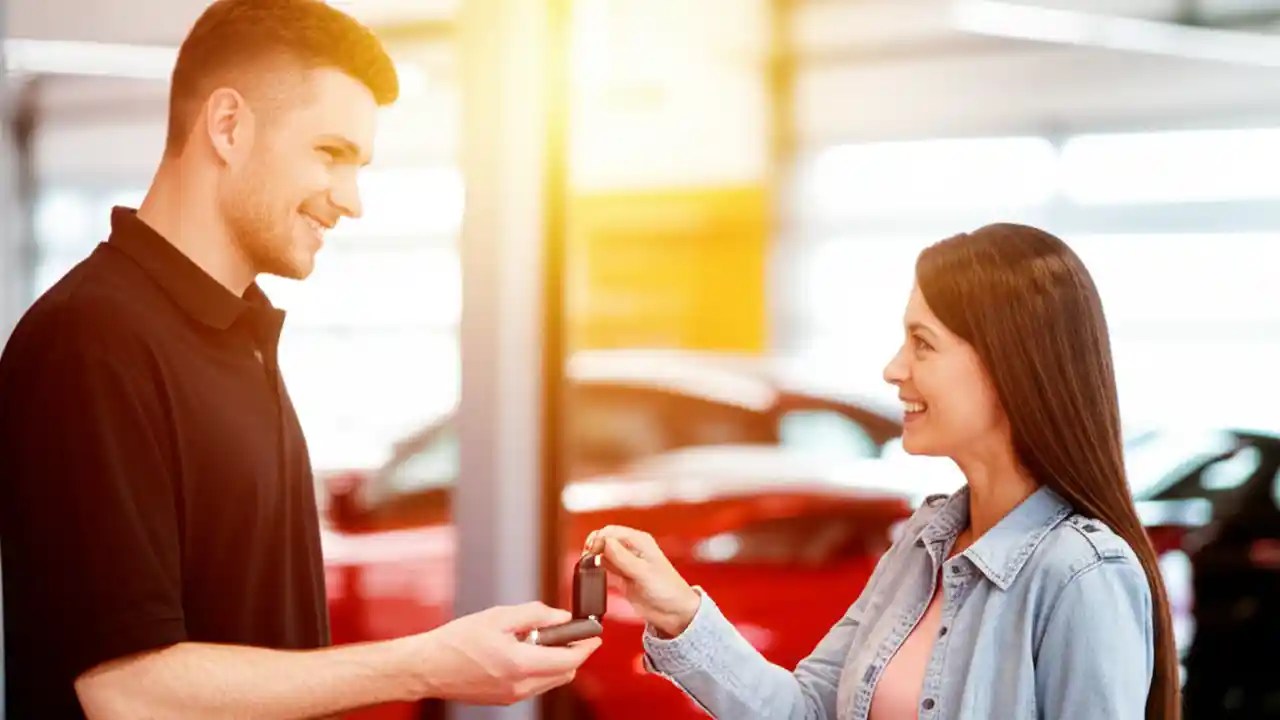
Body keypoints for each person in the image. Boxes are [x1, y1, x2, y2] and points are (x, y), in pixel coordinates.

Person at [0, 1, 597, 718]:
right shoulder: (91, 342)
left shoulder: (238, 335)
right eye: (330, 153)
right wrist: (425, 665)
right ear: (228, 126)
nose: (351, 200)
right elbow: (129, 695)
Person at [586, 224, 1180, 719]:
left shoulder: (1083, 575)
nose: (894, 369)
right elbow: (807, 711)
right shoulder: (921, 546)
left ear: (1009, 363)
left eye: (923, 343)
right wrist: (679, 615)